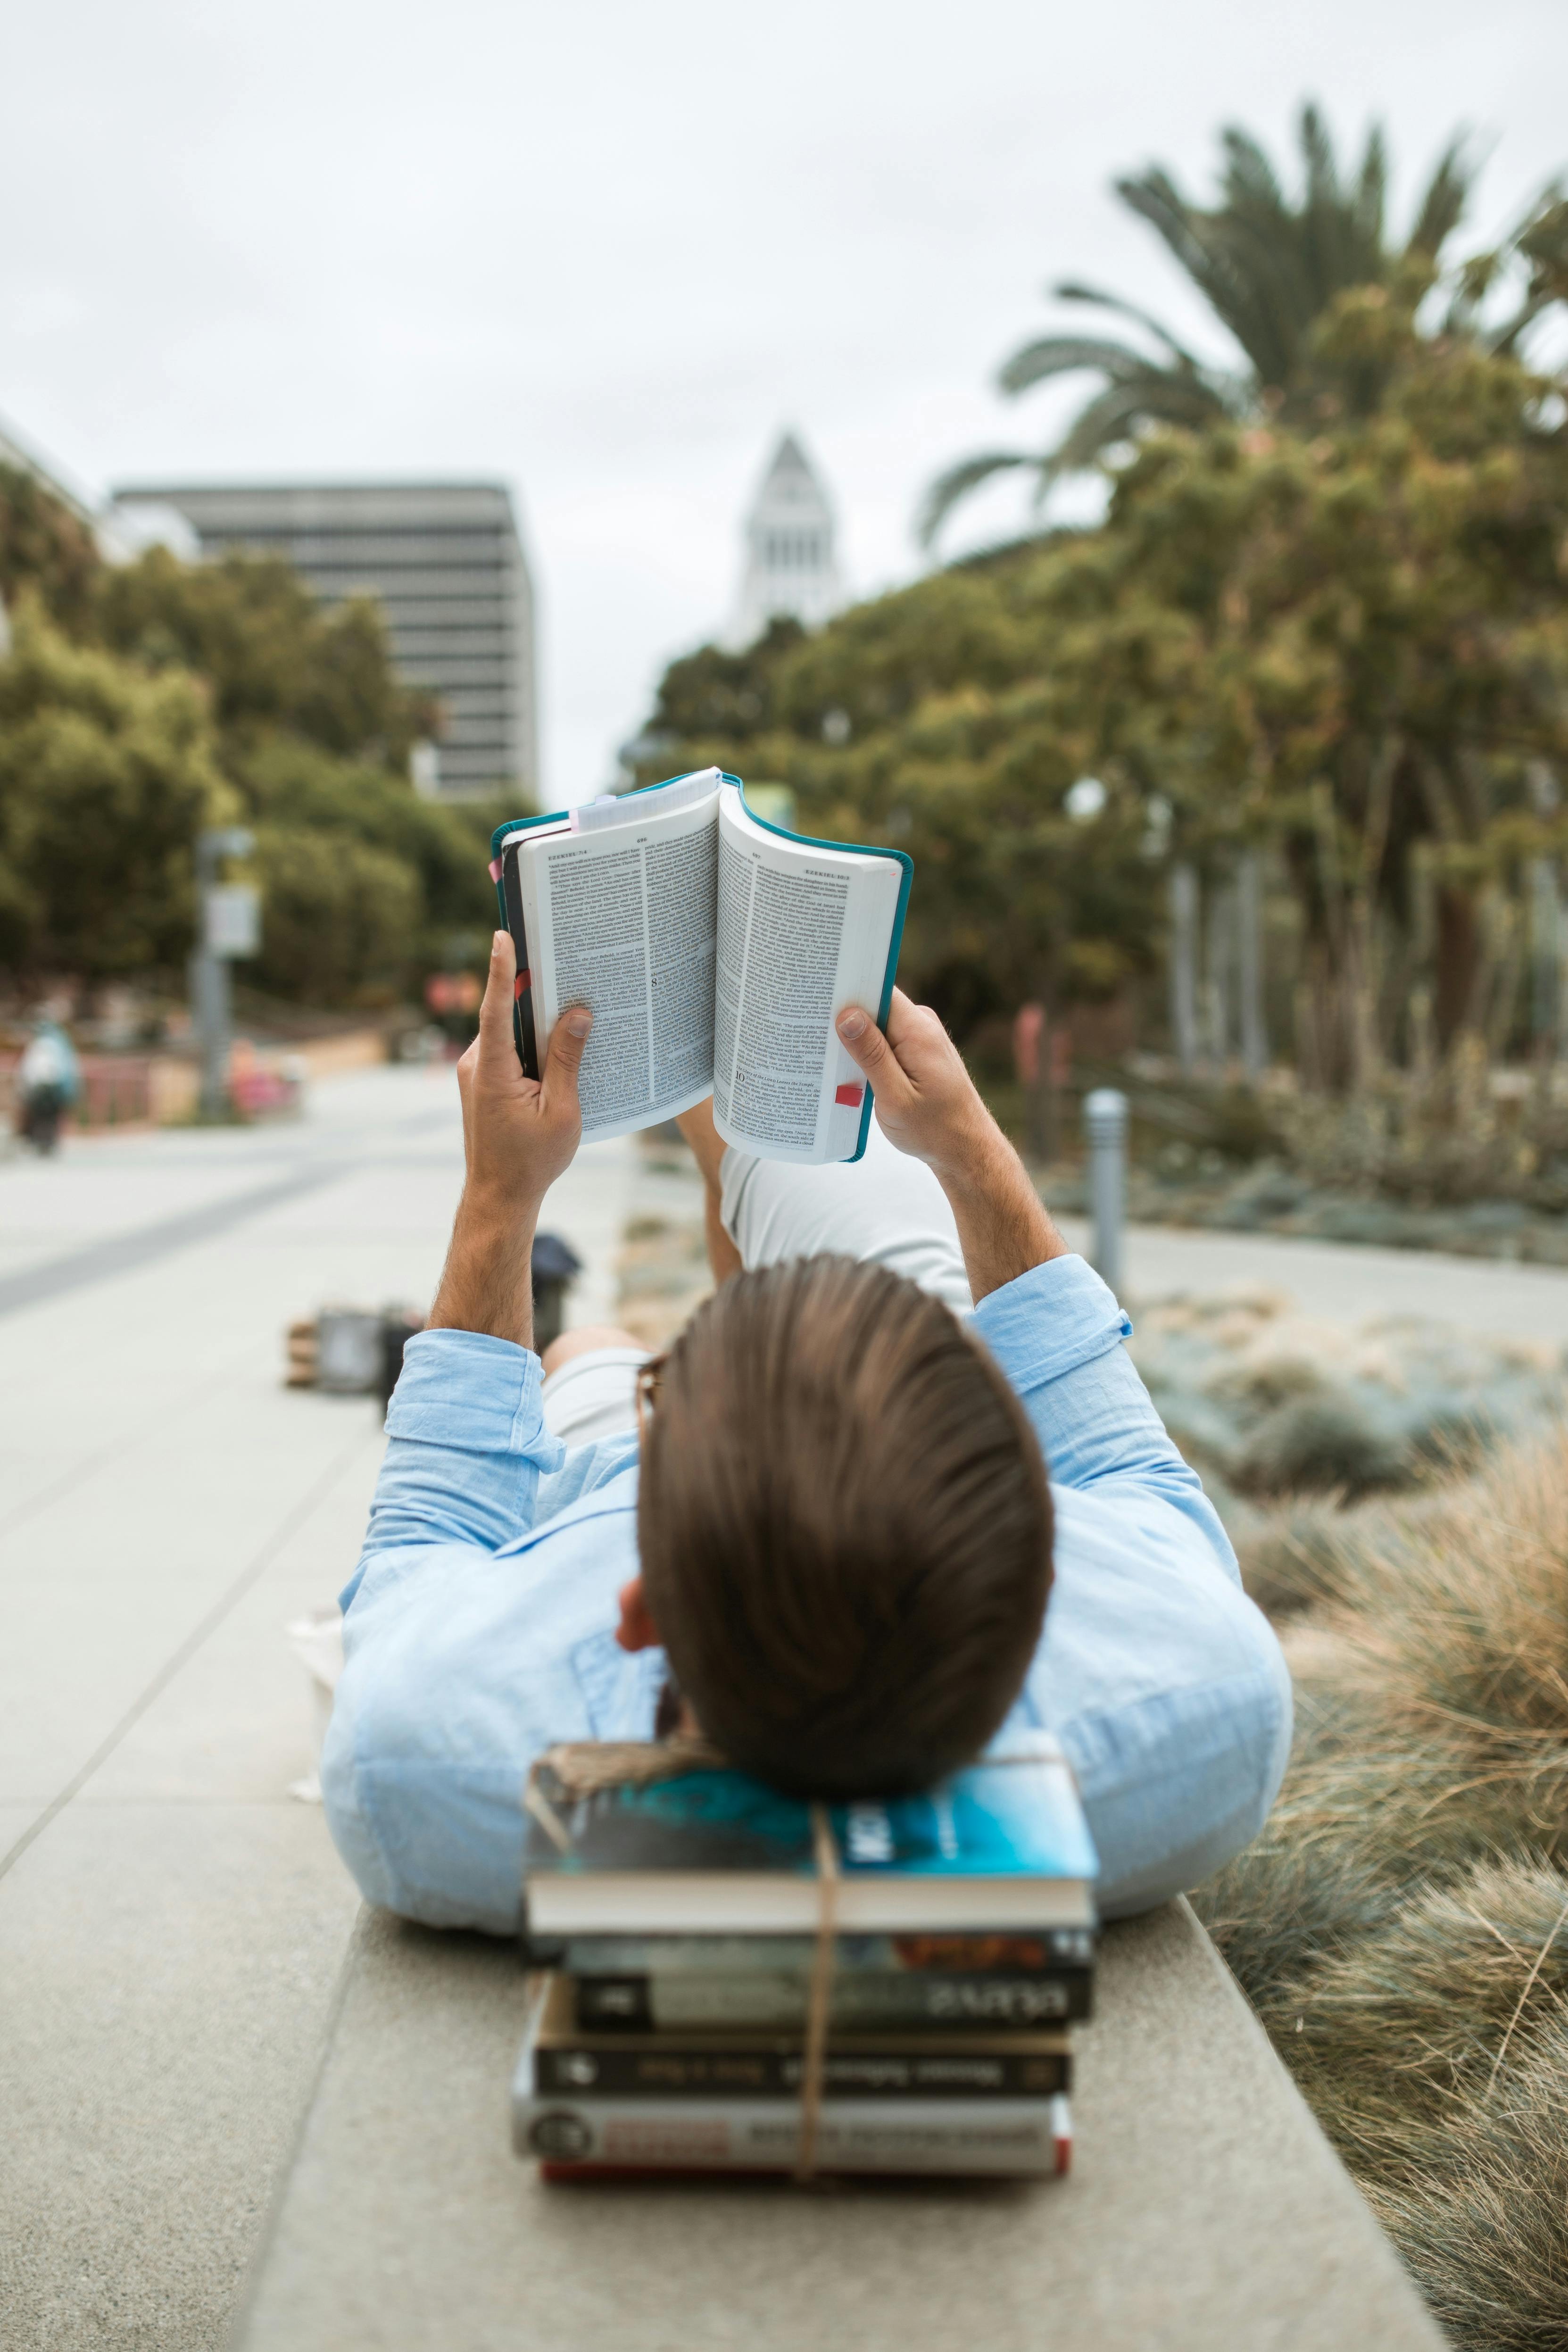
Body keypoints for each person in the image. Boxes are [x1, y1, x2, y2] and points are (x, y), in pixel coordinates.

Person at [323, 931, 1291, 1931]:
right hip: (849, 1479)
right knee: (838, 1204)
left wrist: (500, 1192)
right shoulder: (1204, 1715)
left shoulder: (422, 1766)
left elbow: (431, 1531)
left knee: (590, 1354)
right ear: (1042, 1571)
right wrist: (967, 1147)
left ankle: (672, 1000)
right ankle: (718, 1054)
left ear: (640, 1610)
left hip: (612, 1507)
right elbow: (1118, 1458)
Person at [15, 1019, 81, 1153]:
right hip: (54, 1088)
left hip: (43, 1088)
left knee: (42, 1117)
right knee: (50, 1117)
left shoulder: (43, 1045)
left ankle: (43, 1143)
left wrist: (27, 1087)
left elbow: (36, 1069)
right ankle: (47, 1142)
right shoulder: (61, 1043)